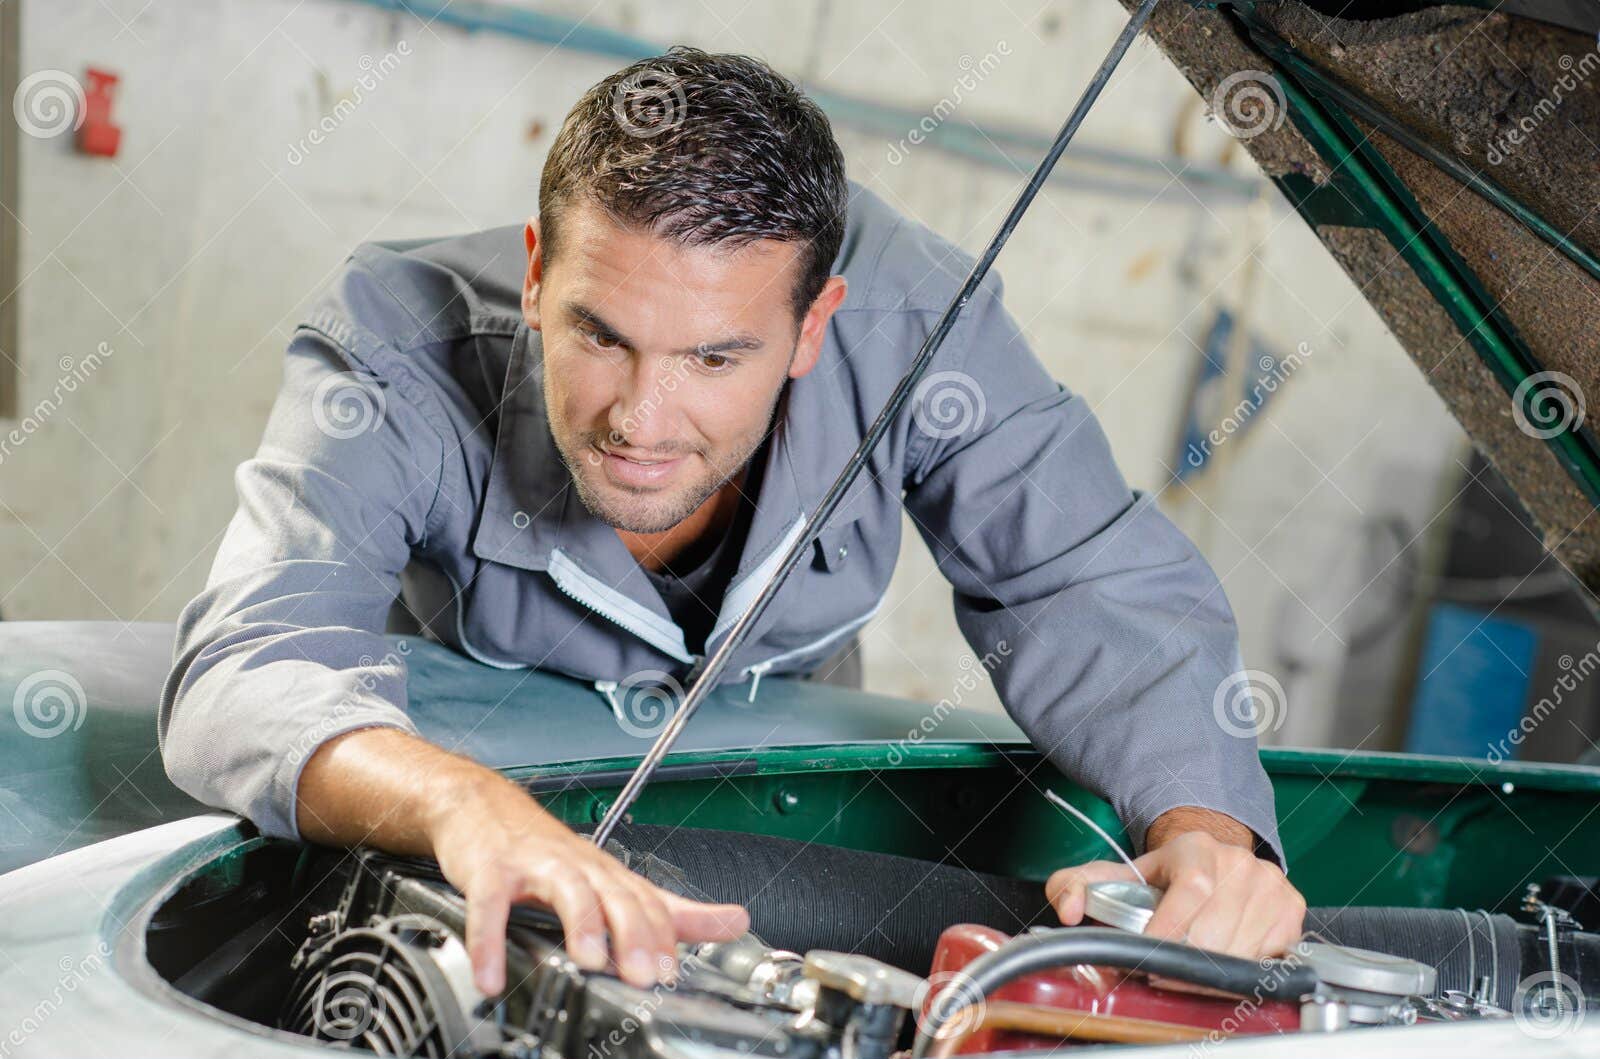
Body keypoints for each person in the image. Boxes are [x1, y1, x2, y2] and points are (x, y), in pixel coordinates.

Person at [160, 46, 1304, 998]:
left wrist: (1202, 832)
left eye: (716, 356)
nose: (640, 422)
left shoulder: (921, 327)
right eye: (600, 334)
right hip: (485, 770)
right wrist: (465, 807)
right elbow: (253, 667)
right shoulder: (394, 345)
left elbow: (1082, 580)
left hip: (784, 801)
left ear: (815, 329)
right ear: (536, 271)